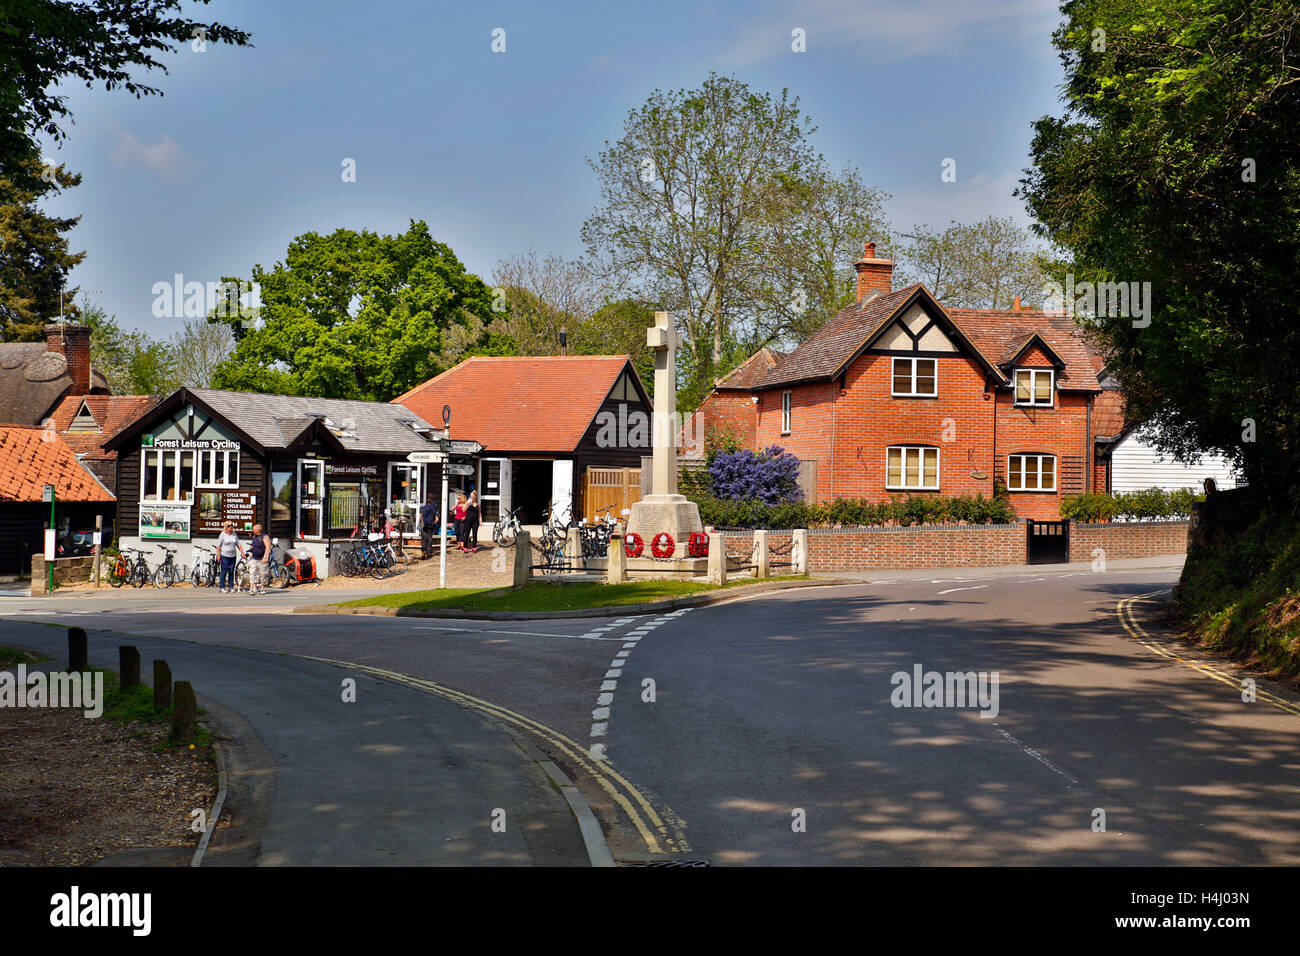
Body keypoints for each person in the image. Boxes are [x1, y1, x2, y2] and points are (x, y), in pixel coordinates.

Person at [216, 521, 243, 593]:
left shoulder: (234, 534)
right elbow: (218, 546)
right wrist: (218, 555)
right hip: (224, 556)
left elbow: (238, 544)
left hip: (233, 556)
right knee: (224, 571)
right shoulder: (223, 534)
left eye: (231, 525)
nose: (230, 527)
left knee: (231, 571)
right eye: (228, 526)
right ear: (226, 527)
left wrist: (242, 553)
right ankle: (222, 587)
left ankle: (231, 586)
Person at [248, 523, 272, 595]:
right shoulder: (254, 536)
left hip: (262, 559)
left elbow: (268, 547)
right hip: (254, 558)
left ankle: (262, 588)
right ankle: (252, 588)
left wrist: (266, 557)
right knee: (252, 573)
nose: (253, 531)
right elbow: (253, 546)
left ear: (258, 530)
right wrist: (250, 552)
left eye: (254, 530)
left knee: (263, 573)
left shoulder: (265, 537)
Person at [418, 493, 439, 558]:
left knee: (424, 538)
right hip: (431, 524)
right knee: (430, 537)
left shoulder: (422, 508)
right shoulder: (434, 508)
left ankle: (424, 550)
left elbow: (420, 517)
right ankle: (429, 551)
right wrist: (434, 523)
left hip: (424, 525)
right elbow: (437, 518)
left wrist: (419, 524)